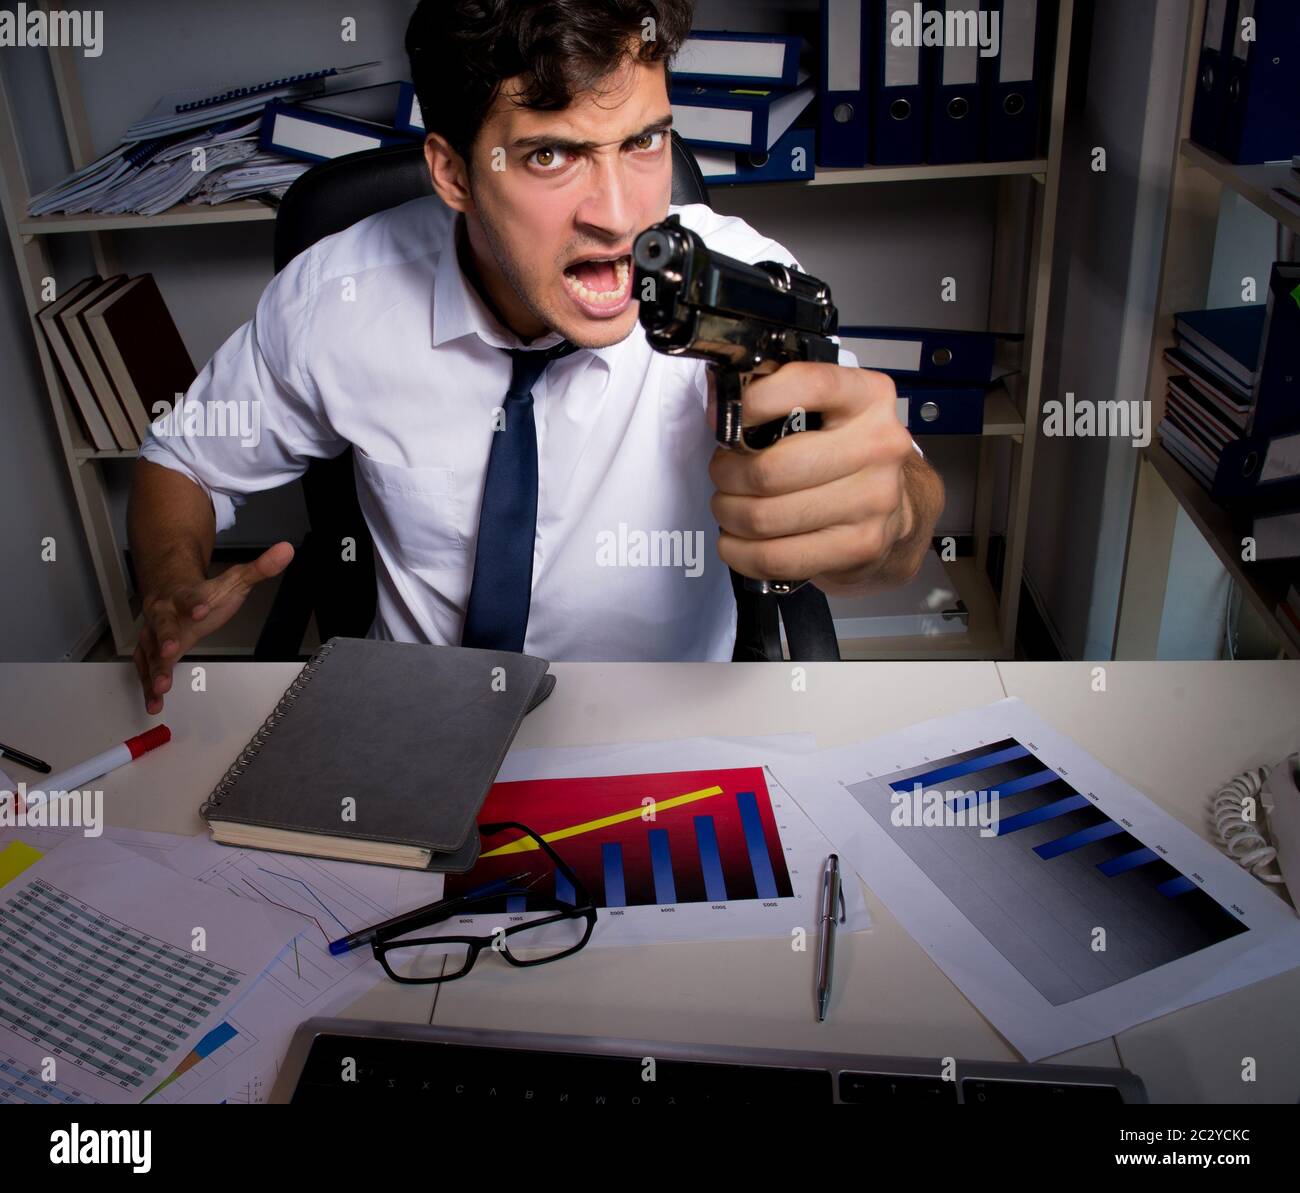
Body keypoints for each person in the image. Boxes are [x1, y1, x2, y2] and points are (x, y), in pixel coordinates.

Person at [128, 0, 944, 713]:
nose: (620, 218)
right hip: (419, 719)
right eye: (551, 155)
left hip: (662, 728)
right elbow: (184, 463)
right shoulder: (337, 299)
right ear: (452, 171)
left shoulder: (739, 291)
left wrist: (890, 520)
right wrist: (169, 583)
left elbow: (891, 509)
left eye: (645, 141)